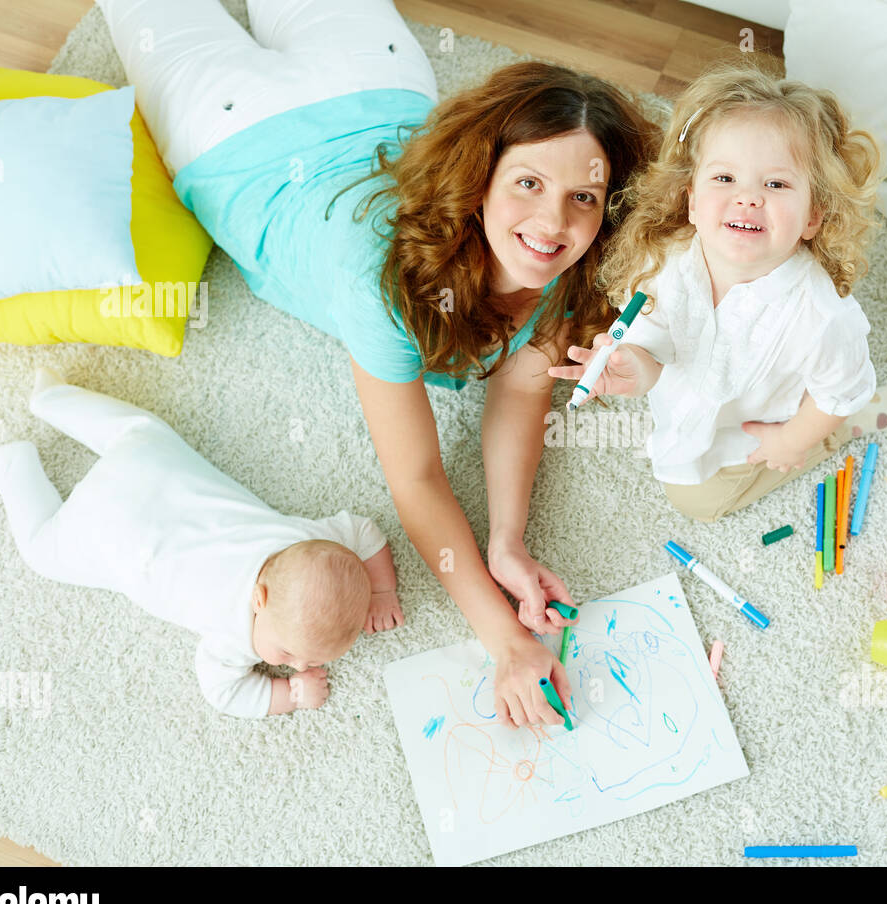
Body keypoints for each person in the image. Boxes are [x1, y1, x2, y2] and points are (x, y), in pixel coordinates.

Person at [96, 0, 660, 727]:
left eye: (581, 197)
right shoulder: (383, 282)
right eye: (528, 182)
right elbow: (417, 479)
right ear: (481, 173)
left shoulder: (574, 268)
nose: (552, 224)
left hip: (375, 83)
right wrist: (504, 639)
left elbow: (522, 390)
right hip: (236, 134)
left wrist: (507, 541)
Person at [550, 56, 887, 521]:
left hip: (754, 426)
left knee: (698, 504)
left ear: (813, 216)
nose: (748, 197)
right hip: (688, 409)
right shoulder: (661, 260)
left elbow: (842, 388)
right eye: (724, 178)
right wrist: (634, 369)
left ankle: (843, 431)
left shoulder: (823, 318)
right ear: (694, 202)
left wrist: (793, 440)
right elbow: (657, 354)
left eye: (777, 183)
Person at [0, 368, 402, 718]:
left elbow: (364, 532)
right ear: (258, 598)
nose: (300, 666)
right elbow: (223, 692)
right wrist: (289, 694)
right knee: (42, 551)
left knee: (136, 429)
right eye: (289, 653)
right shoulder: (234, 634)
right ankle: (15, 469)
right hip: (110, 530)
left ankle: (51, 397)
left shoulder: (311, 542)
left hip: (151, 464)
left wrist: (380, 590)